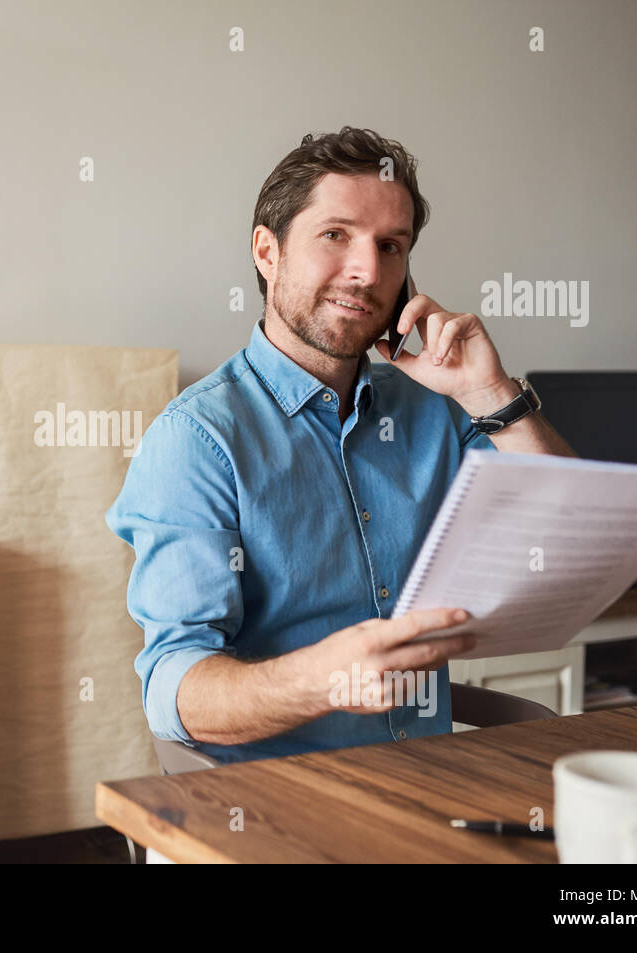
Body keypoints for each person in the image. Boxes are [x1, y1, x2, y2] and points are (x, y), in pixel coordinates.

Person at [105, 127, 577, 764]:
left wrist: (494, 394)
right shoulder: (197, 440)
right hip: (278, 807)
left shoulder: (438, 409)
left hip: (431, 783)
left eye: (391, 246)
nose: (367, 271)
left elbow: (570, 535)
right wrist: (323, 677)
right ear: (267, 252)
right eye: (336, 235)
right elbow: (175, 690)